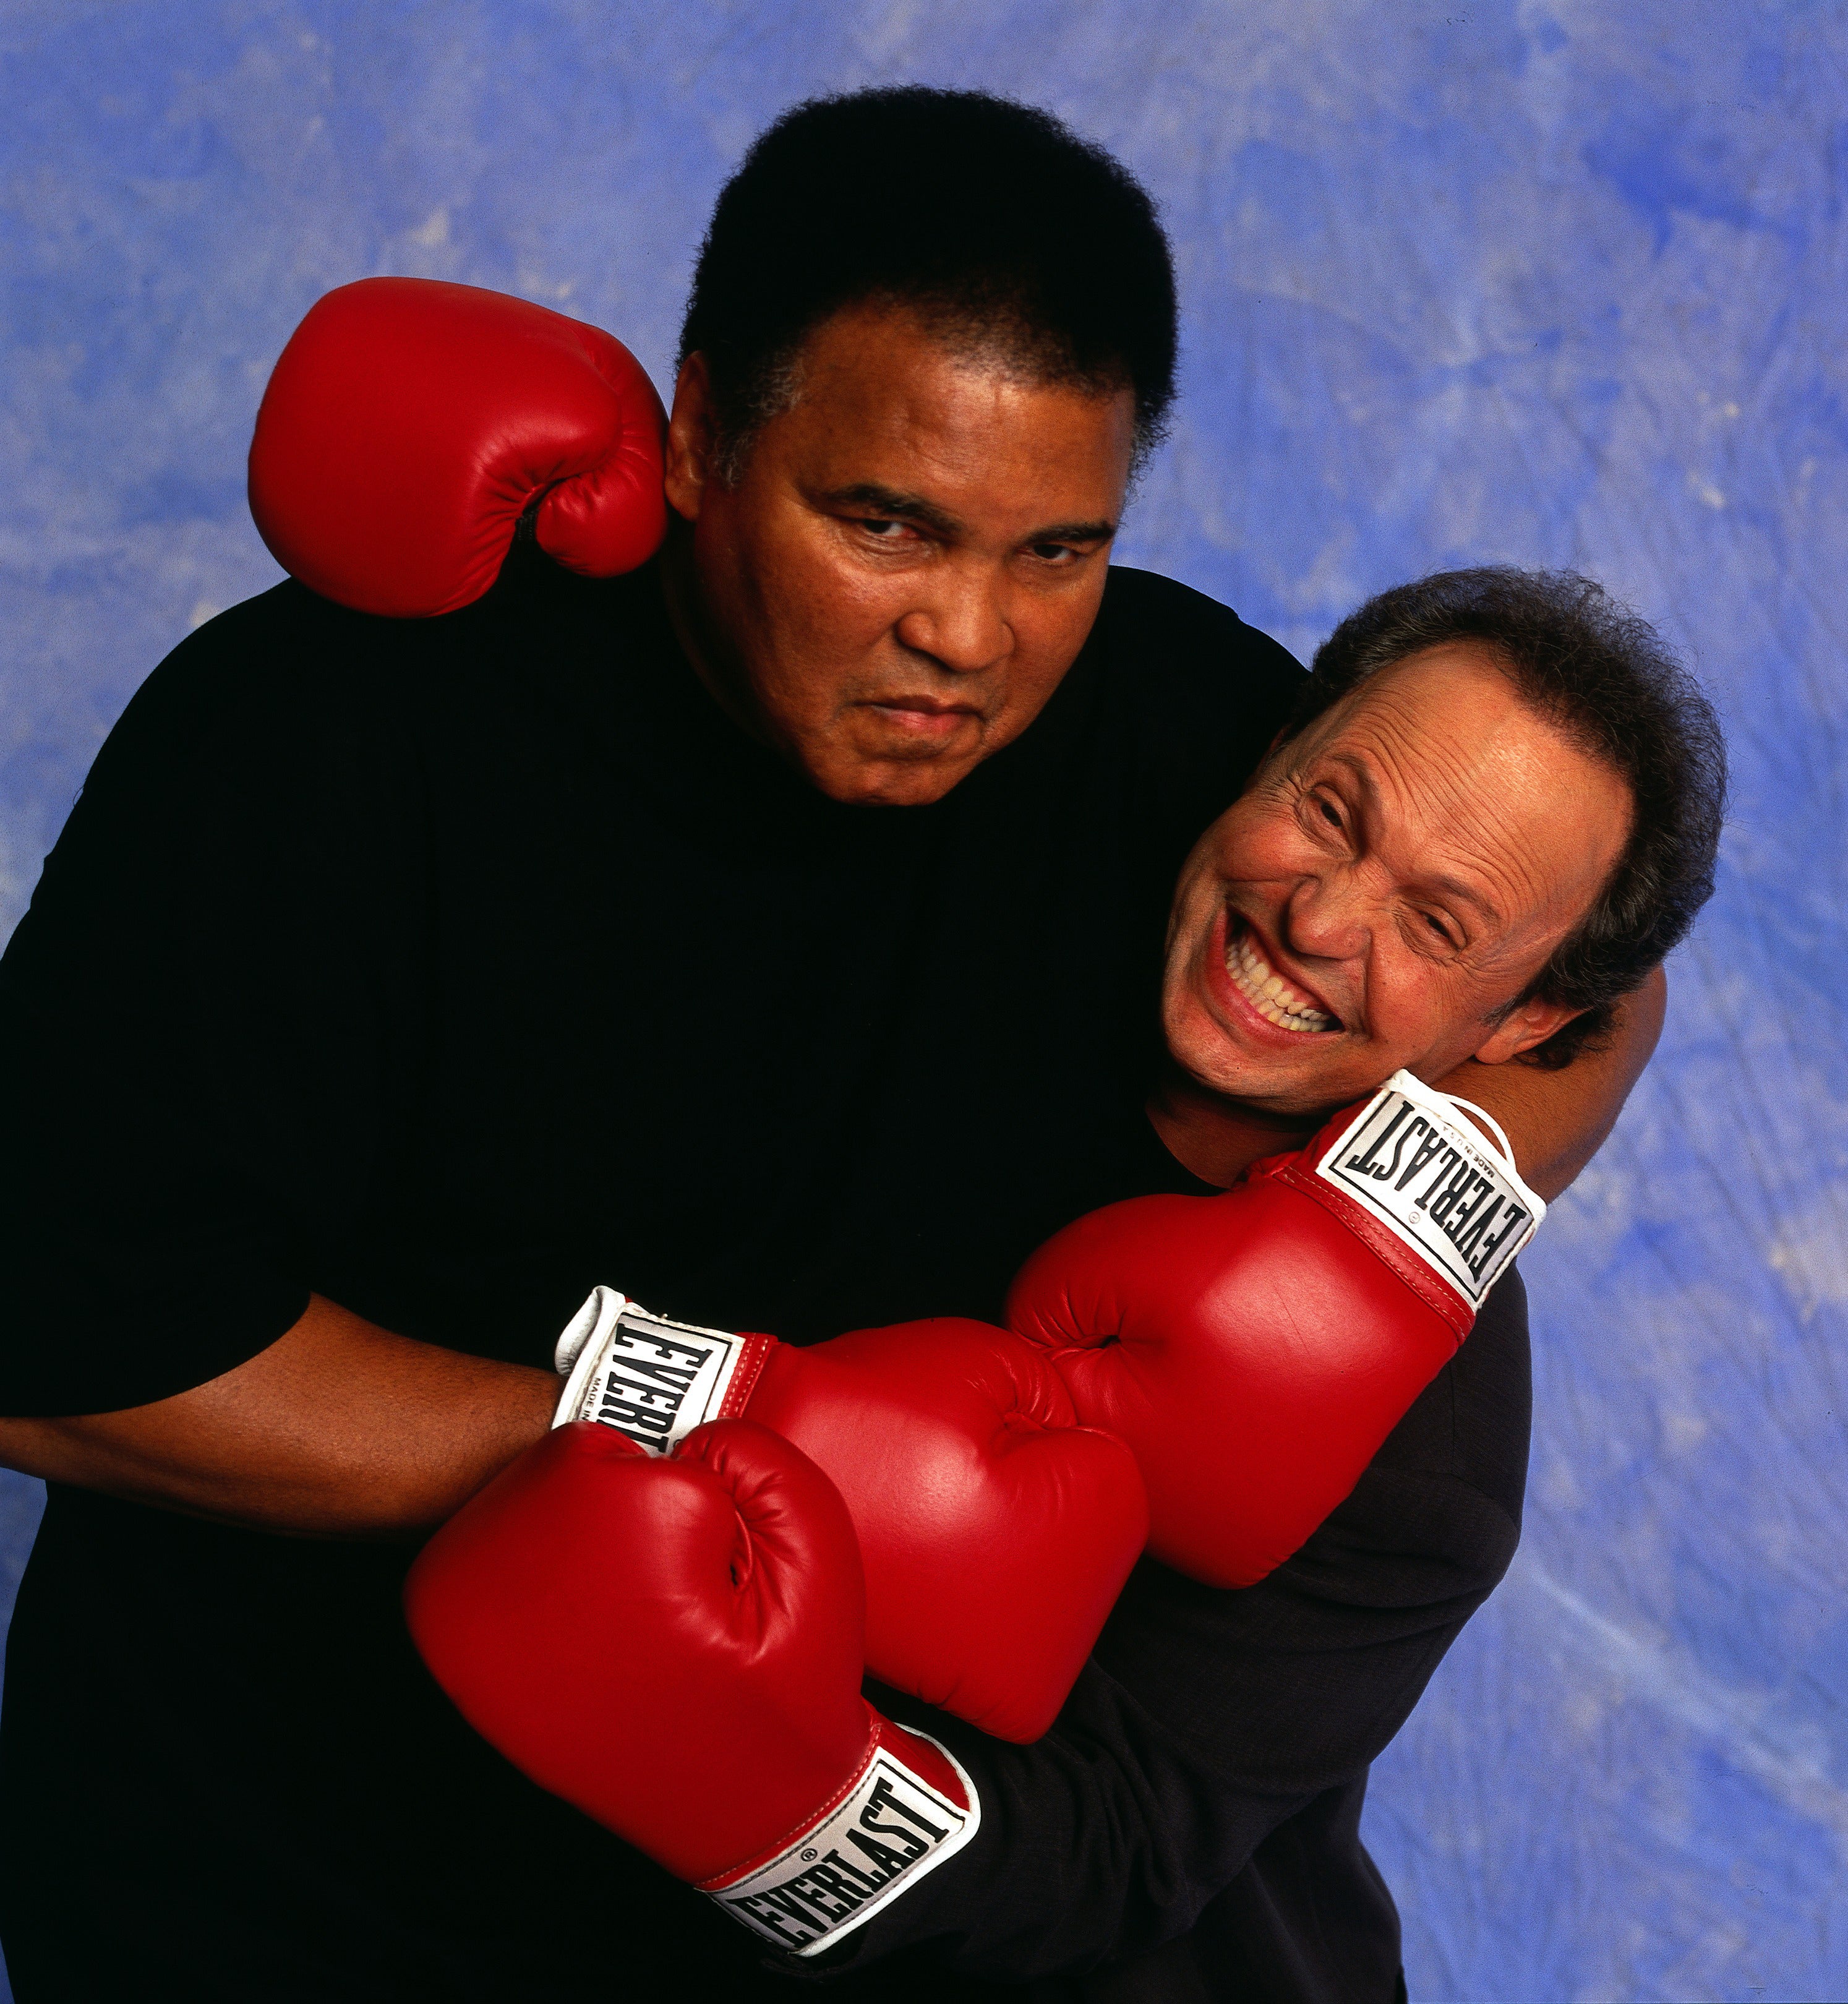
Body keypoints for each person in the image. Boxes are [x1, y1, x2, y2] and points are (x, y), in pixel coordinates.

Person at [0, 88, 1718, 2003]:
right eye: (881, 522)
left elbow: (1578, 940)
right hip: (281, 1893)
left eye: (1056, 550)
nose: (967, 637)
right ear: (700, 432)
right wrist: (724, 1427)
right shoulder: (335, 735)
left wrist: (1378, 1250)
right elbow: (54, 1358)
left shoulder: (1165, 728)